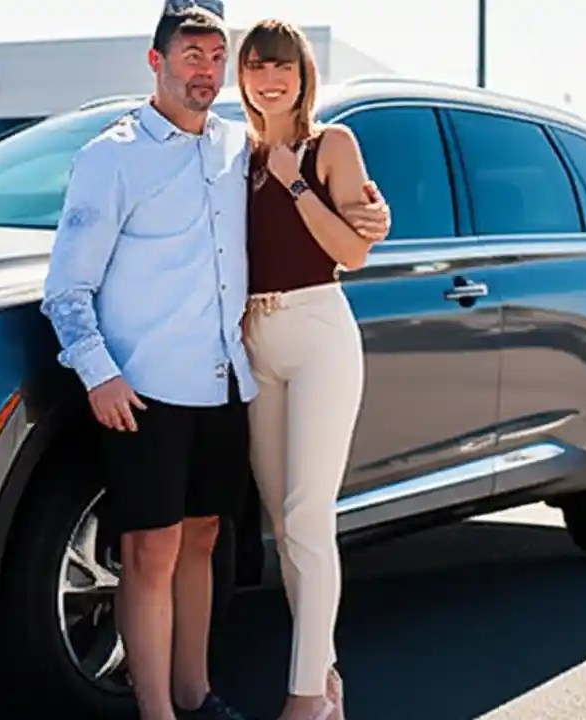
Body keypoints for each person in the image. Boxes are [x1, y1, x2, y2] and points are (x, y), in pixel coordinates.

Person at [41, 5, 389, 719]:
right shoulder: (115, 155)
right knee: (153, 551)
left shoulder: (236, 148)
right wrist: (98, 372)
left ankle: (207, 696)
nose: (205, 70)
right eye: (190, 55)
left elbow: (343, 231)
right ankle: (162, 711)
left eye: (214, 56)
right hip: (145, 384)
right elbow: (66, 286)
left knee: (212, 537)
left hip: (227, 378)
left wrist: (367, 212)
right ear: (157, 61)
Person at [236, 19, 389, 720]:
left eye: (283, 67)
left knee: (307, 516)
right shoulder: (237, 157)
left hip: (319, 331)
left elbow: (352, 253)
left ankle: (303, 697)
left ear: (303, 76)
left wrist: (296, 184)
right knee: (282, 524)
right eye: (257, 67)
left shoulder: (331, 144)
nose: (270, 80)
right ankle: (324, 681)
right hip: (255, 340)